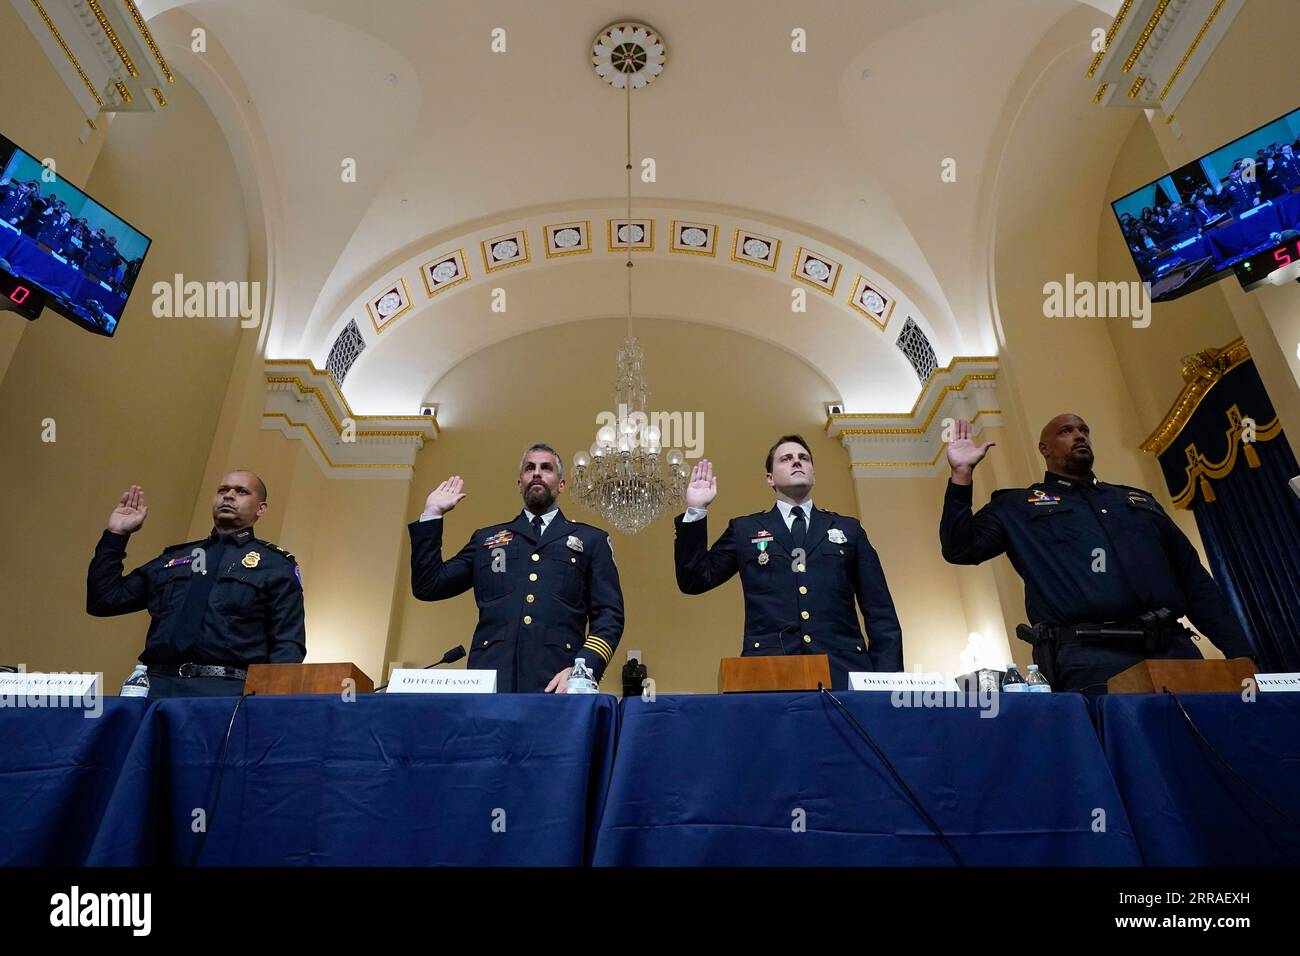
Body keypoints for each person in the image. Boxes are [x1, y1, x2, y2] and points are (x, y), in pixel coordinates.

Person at [939, 415, 1254, 693]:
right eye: (1066, 431)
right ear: (1044, 449)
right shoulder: (1018, 506)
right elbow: (961, 548)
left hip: (1172, 647)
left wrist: (1242, 655)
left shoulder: (1135, 501)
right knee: (1124, 752)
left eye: (1083, 430)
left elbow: (1193, 579)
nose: (1079, 435)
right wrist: (961, 476)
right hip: (1090, 658)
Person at [673, 435, 903, 689]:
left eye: (803, 458)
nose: (797, 462)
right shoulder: (745, 529)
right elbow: (694, 579)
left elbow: (880, 612)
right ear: (769, 478)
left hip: (843, 671)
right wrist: (696, 511)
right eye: (786, 459)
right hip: (769, 673)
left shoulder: (849, 529)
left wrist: (887, 682)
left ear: (813, 474)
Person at [409, 443, 624, 692]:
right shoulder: (487, 540)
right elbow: (429, 585)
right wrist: (432, 514)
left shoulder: (591, 540)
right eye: (529, 468)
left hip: (558, 684)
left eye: (546, 468)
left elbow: (609, 615)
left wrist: (583, 668)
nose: (536, 473)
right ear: (519, 484)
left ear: (561, 484)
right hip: (490, 684)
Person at [87, 471, 305, 697]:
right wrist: (116, 535)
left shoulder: (275, 565)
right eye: (223, 490)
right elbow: (104, 601)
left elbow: (287, 644)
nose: (228, 496)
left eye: (241, 491)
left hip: (225, 692)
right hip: (154, 687)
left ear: (261, 508)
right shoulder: (176, 558)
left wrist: (271, 704)